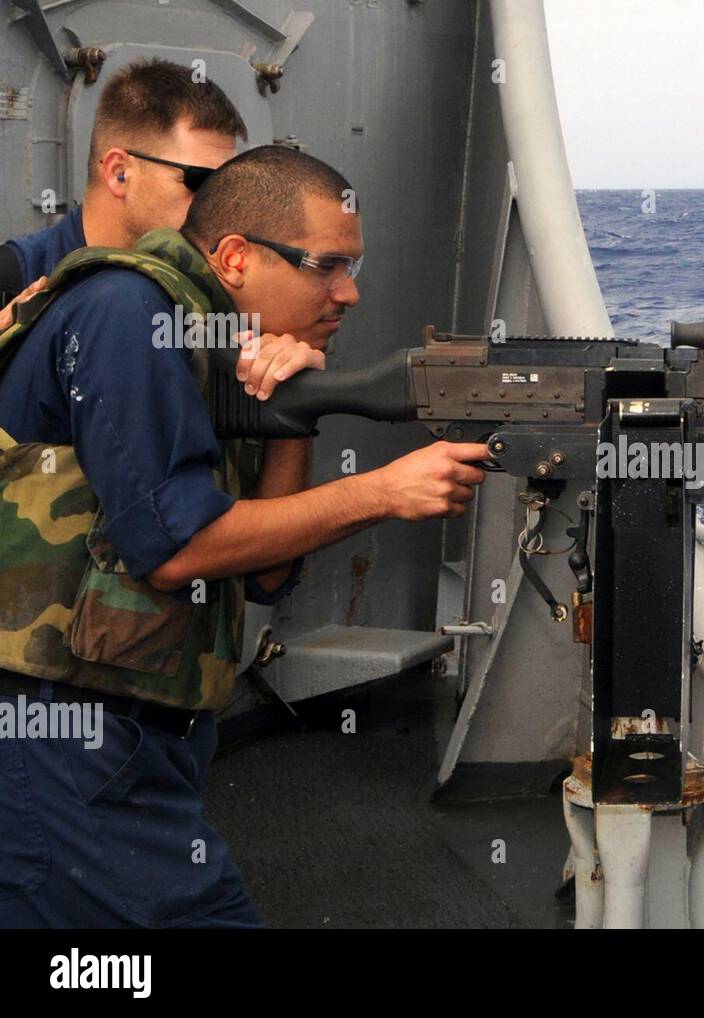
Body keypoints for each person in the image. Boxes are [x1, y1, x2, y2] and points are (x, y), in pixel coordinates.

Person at [0, 144, 491, 928]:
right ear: (233, 257)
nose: (350, 292)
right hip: (59, 738)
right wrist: (383, 492)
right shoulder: (129, 314)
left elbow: (265, 576)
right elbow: (177, 551)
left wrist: (293, 409)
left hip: (131, 735)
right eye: (325, 266)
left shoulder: (205, 338)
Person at [0, 57, 246, 329]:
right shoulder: (13, 281)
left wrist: (283, 359)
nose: (219, 205)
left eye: (227, 185)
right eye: (200, 181)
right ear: (119, 173)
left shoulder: (229, 287)